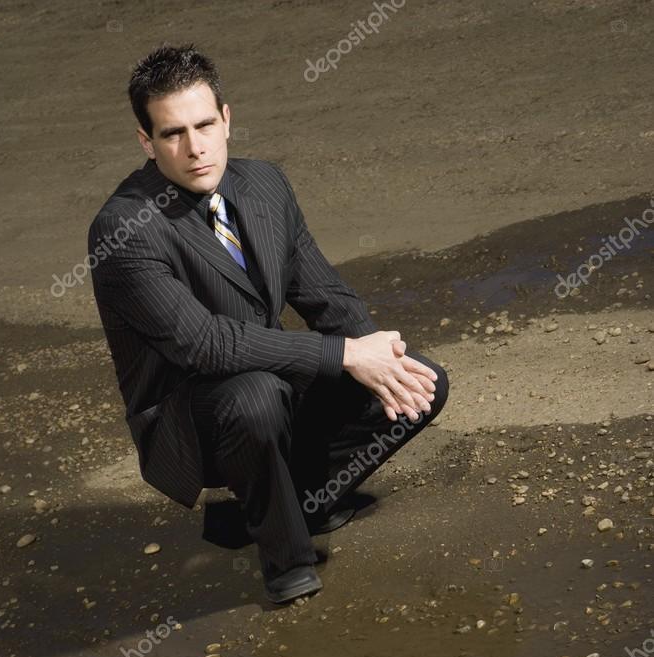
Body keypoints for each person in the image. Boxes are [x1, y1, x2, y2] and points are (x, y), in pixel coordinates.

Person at [88, 44, 449, 603]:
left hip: (274, 380)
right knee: (253, 396)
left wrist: (381, 357)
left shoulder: (264, 186)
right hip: (191, 416)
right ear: (146, 141)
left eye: (205, 124)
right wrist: (345, 355)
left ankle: (296, 504)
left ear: (227, 119)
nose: (195, 147)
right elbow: (205, 347)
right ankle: (286, 560)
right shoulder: (126, 229)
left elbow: (324, 294)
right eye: (172, 133)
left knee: (421, 383)